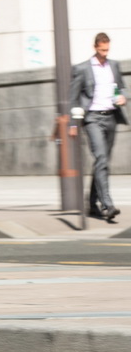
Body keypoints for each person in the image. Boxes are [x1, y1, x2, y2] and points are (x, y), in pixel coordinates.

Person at [69, 32, 127, 222]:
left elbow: (121, 87)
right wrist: (73, 123)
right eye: (102, 50)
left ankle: (92, 203)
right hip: (92, 118)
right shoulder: (83, 68)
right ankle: (107, 205)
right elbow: (73, 98)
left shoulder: (114, 66)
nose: (105, 53)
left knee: (102, 162)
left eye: (107, 50)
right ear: (95, 47)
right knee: (101, 158)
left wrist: (122, 96)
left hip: (111, 116)